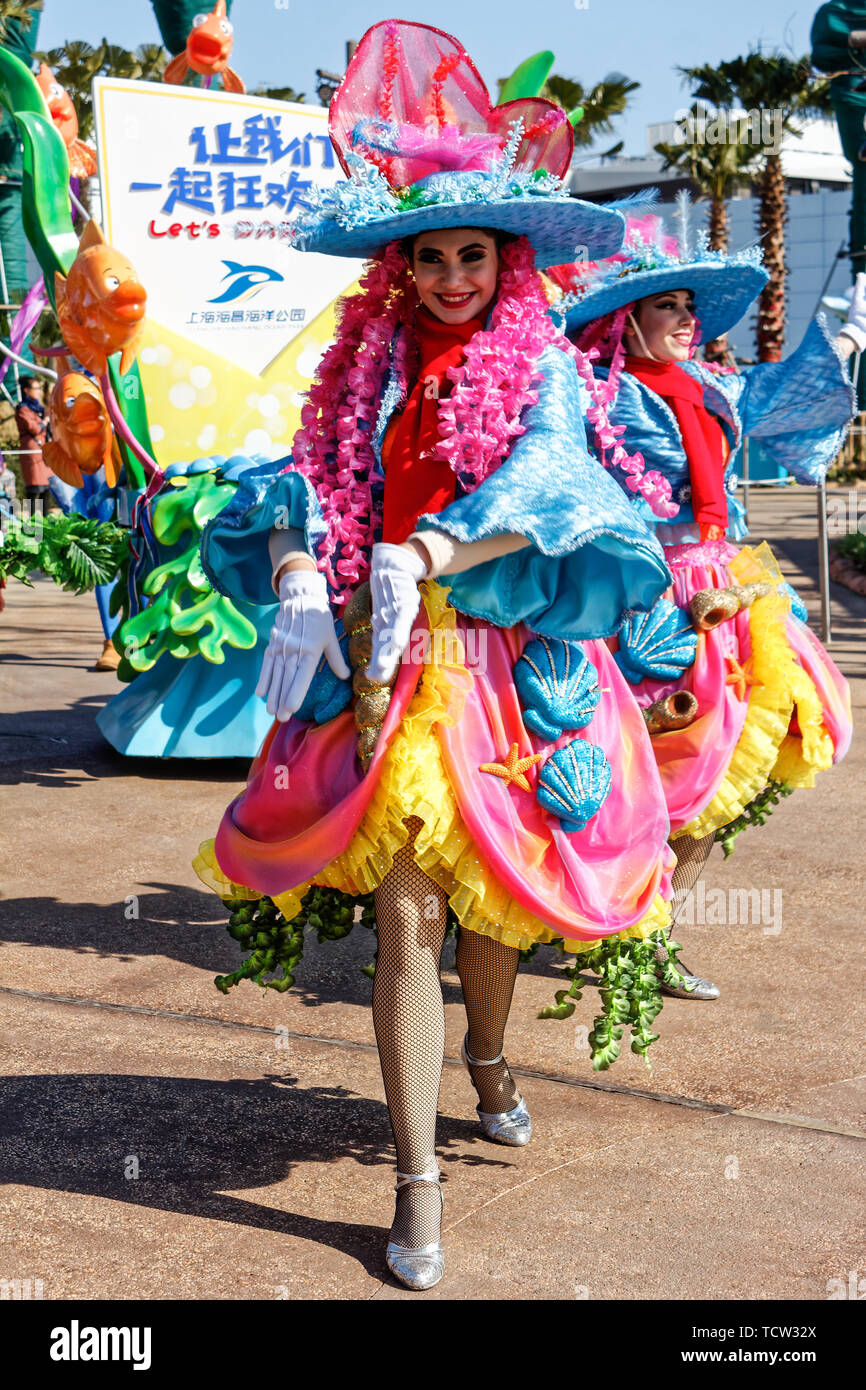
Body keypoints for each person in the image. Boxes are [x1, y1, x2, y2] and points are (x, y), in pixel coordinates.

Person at [194, 20, 679, 1291]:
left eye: (472, 254)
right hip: (382, 660)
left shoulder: (545, 372)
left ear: (504, 261)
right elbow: (300, 467)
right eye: (429, 256)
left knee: (489, 912)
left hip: (498, 658)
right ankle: (418, 1179)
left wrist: (436, 551)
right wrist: (304, 555)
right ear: (397, 266)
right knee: (405, 910)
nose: (451, 275)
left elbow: (557, 484)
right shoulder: (364, 359)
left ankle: (491, 1057)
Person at [556, 208, 855, 997]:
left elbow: (780, 397)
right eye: (669, 307)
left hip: (729, 588)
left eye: (691, 307)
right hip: (646, 597)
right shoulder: (602, 403)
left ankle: (649, 938)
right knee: (642, 774)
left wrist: (851, 340)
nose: (687, 320)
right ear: (628, 320)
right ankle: (575, 919)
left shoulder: (709, 387)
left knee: (722, 778)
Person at [15, 375, 54, 519]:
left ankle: (45, 523)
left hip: (43, 450)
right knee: (33, 489)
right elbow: (34, 428)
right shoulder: (22, 410)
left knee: (45, 489)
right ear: (26, 390)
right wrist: (44, 421)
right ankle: (30, 525)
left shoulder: (41, 409)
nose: (38, 391)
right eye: (35, 388)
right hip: (32, 452)